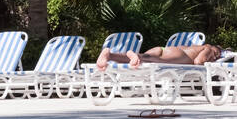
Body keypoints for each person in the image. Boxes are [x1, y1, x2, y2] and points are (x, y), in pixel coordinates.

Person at [95, 42, 223, 70]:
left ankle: (110, 55)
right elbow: (198, 61)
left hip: (163, 49)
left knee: (143, 57)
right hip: (179, 56)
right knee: (145, 58)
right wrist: (211, 58)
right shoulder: (209, 48)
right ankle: (133, 55)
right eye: (217, 54)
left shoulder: (194, 46)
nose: (216, 56)